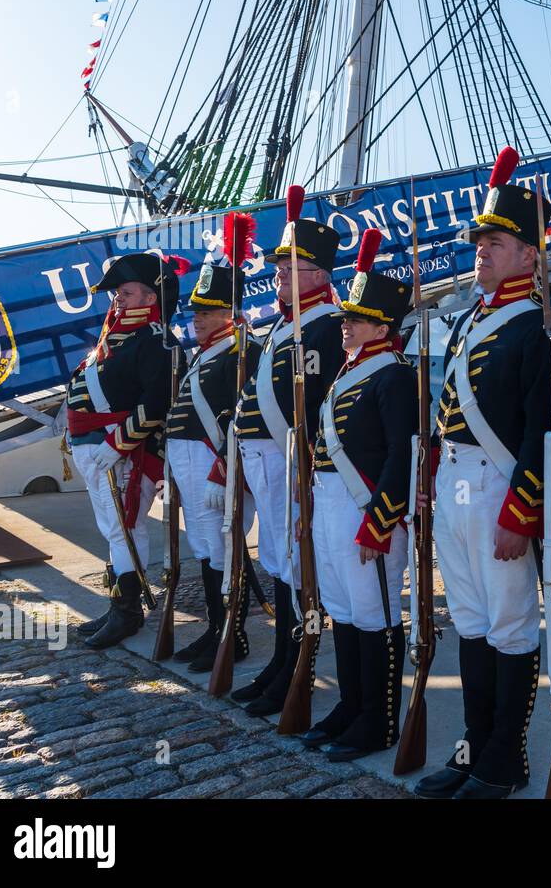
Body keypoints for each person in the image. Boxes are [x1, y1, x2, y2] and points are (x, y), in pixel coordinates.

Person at [412, 146, 551, 800]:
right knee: (472, 623)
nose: (482, 250)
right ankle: (471, 753)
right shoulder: (465, 324)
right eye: (481, 240)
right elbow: (444, 410)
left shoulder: (548, 329)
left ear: (531, 255)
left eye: (497, 241)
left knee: (509, 628)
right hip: (454, 487)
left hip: (500, 490)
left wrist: (524, 510)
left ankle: (504, 763)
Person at [299, 228, 418, 762]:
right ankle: (351, 706)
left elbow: (403, 456)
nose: (344, 325)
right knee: (343, 612)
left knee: (376, 616)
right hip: (329, 503)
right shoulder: (351, 373)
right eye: (345, 318)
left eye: (354, 319)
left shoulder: (394, 376)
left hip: (365, 508)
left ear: (382, 326)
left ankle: (380, 720)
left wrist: (381, 522)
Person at [229, 188, 346, 716]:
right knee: (278, 562)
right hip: (267, 460)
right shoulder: (285, 324)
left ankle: (299, 661)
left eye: (291, 267)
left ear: (320, 275)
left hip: (294, 462)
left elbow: (322, 407)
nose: (279, 275)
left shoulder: (326, 326)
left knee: (300, 568)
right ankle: (282, 660)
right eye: (278, 266)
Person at [69, 253, 176, 649]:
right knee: (112, 530)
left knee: (125, 529)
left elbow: (157, 402)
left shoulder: (155, 341)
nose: (118, 299)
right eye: (117, 293)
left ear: (150, 297)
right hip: (95, 448)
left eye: (127, 293)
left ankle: (127, 613)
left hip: (124, 452)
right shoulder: (113, 338)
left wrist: (117, 444)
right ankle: (118, 606)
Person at [163, 231, 258, 672]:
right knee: (204, 548)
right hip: (189, 462)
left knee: (223, 549)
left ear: (231, 312)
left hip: (213, 465)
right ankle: (216, 627)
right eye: (196, 311)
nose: (197, 319)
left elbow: (245, 417)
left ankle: (231, 634)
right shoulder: (204, 353)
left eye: (207, 311)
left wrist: (227, 469)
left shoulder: (243, 351)